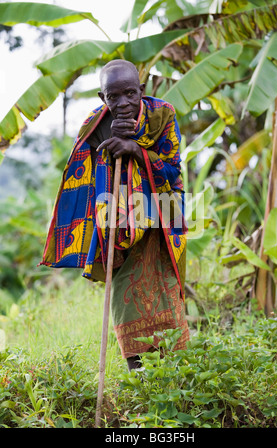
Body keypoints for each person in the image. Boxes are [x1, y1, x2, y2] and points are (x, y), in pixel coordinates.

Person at [40, 60, 189, 371]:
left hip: (162, 213)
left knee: (164, 285)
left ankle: (173, 368)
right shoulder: (94, 127)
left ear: (142, 91)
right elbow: (86, 173)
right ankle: (136, 368)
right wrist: (110, 144)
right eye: (114, 97)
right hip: (118, 221)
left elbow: (173, 170)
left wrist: (134, 148)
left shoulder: (163, 115)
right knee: (125, 291)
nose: (123, 103)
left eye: (130, 94)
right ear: (102, 97)